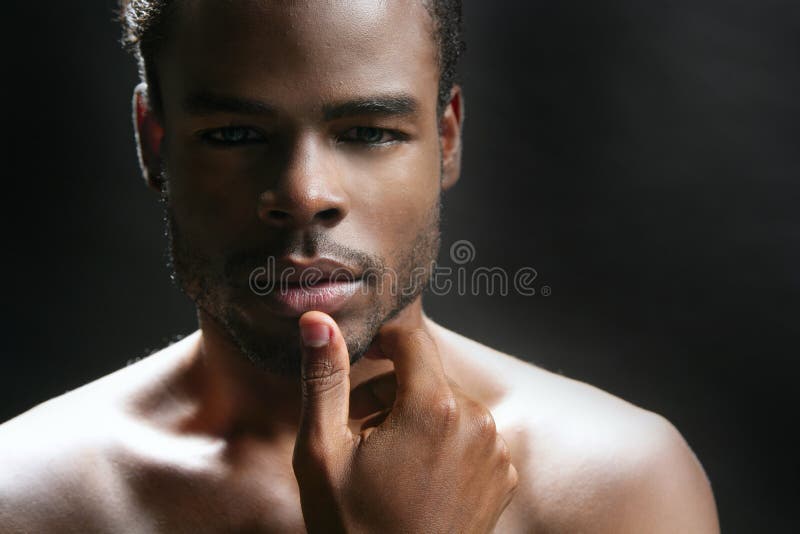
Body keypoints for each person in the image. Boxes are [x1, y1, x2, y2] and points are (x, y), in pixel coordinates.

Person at [0, 1, 720, 532]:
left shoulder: (618, 489)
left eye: (369, 131)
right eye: (235, 133)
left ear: (446, 140)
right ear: (154, 143)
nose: (305, 194)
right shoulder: (27, 495)